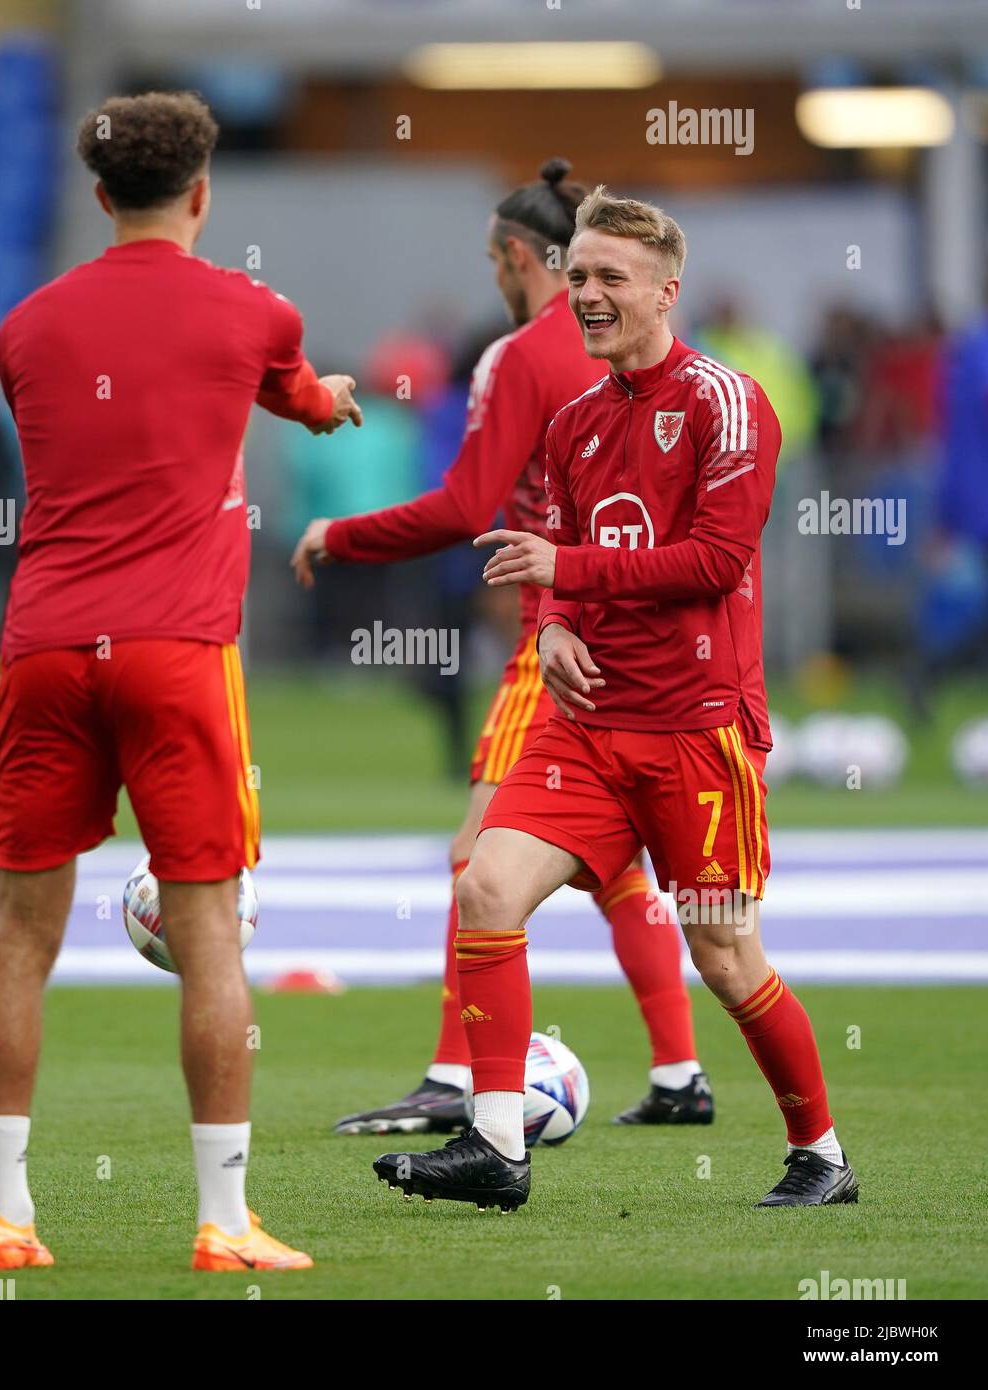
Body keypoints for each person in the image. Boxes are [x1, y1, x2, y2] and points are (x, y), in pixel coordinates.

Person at [373, 185, 857, 1211]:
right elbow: (555, 564)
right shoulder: (577, 422)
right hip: (587, 728)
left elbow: (717, 562)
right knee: (485, 887)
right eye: (579, 275)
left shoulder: (726, 401)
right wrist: (550, 622)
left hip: (697, 735)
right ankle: (497, 1149)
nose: (587, 295)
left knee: (725, 958)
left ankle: (820, 1152)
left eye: (610, 279)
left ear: (665, 291)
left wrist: (568, 573)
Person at [0, 91, 361, 1274]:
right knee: (209, 933)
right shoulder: (256, 312)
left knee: (19, 935)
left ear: (99, 196)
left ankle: (4, 1218)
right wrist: (335, 397)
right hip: (178, 650)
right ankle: (224, 1220)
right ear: (203, 193)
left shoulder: (27, 327)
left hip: (44, 646)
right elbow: (303, 397)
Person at [293, 161, 713, 1137]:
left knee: (478, 857)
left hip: (554, 640)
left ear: (520, 256)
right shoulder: (655, 354)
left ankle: (453, 1075)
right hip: (645, 640)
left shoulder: (521, 357)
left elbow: (463, 506)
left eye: (495, 258)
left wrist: (339, 534)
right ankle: (681, 1070)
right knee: (612, 866)